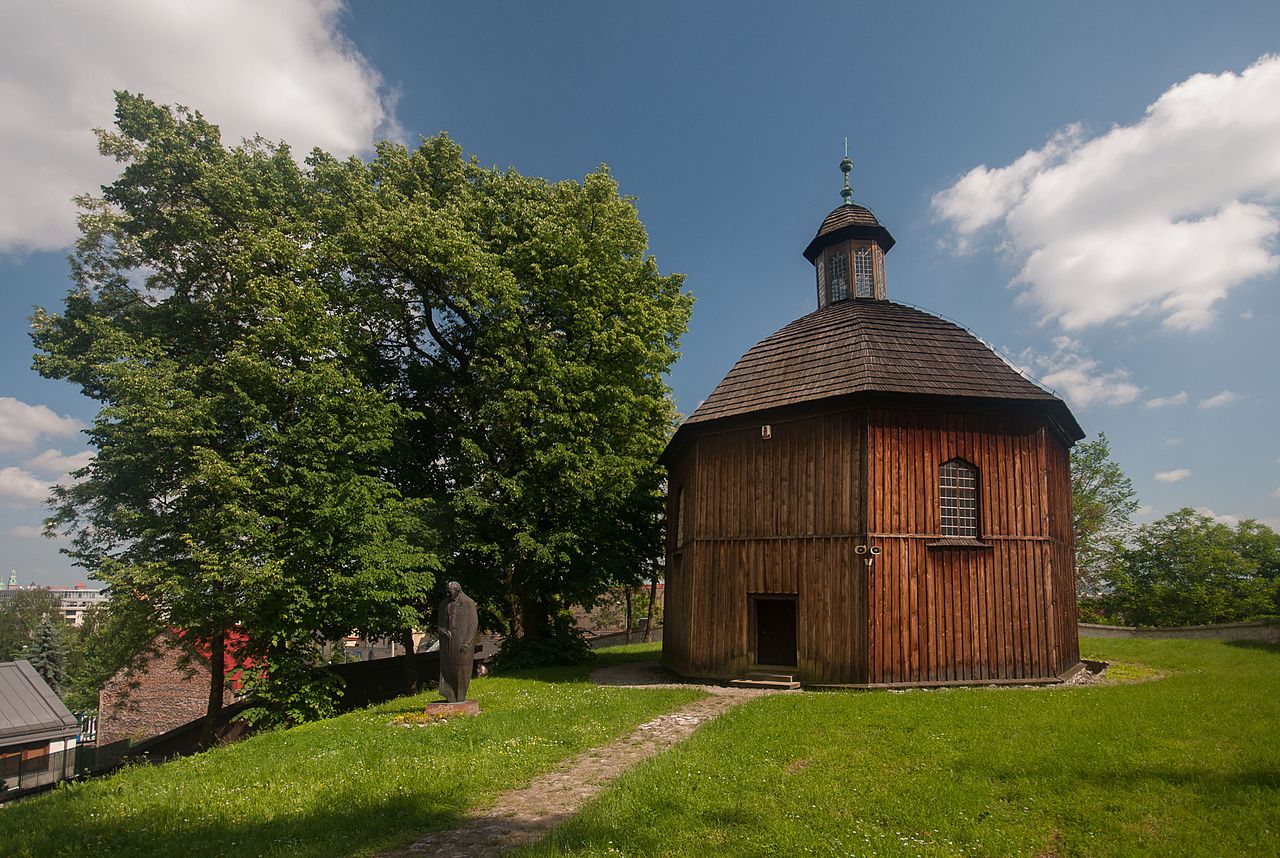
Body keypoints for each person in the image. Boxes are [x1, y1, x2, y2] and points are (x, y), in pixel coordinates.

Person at [437, 581, 478, 703]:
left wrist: (467, 642)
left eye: (450, 592)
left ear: (458, 591)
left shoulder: (468, 603)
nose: (447, 594)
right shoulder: (443, 604)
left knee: (462, 670)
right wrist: (442, 631)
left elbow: (473, 625)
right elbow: (440, 624)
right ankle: (449, 695)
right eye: (447, 591)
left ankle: (460, 696)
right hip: (447, 643)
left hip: (462, 643)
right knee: (447, 668)